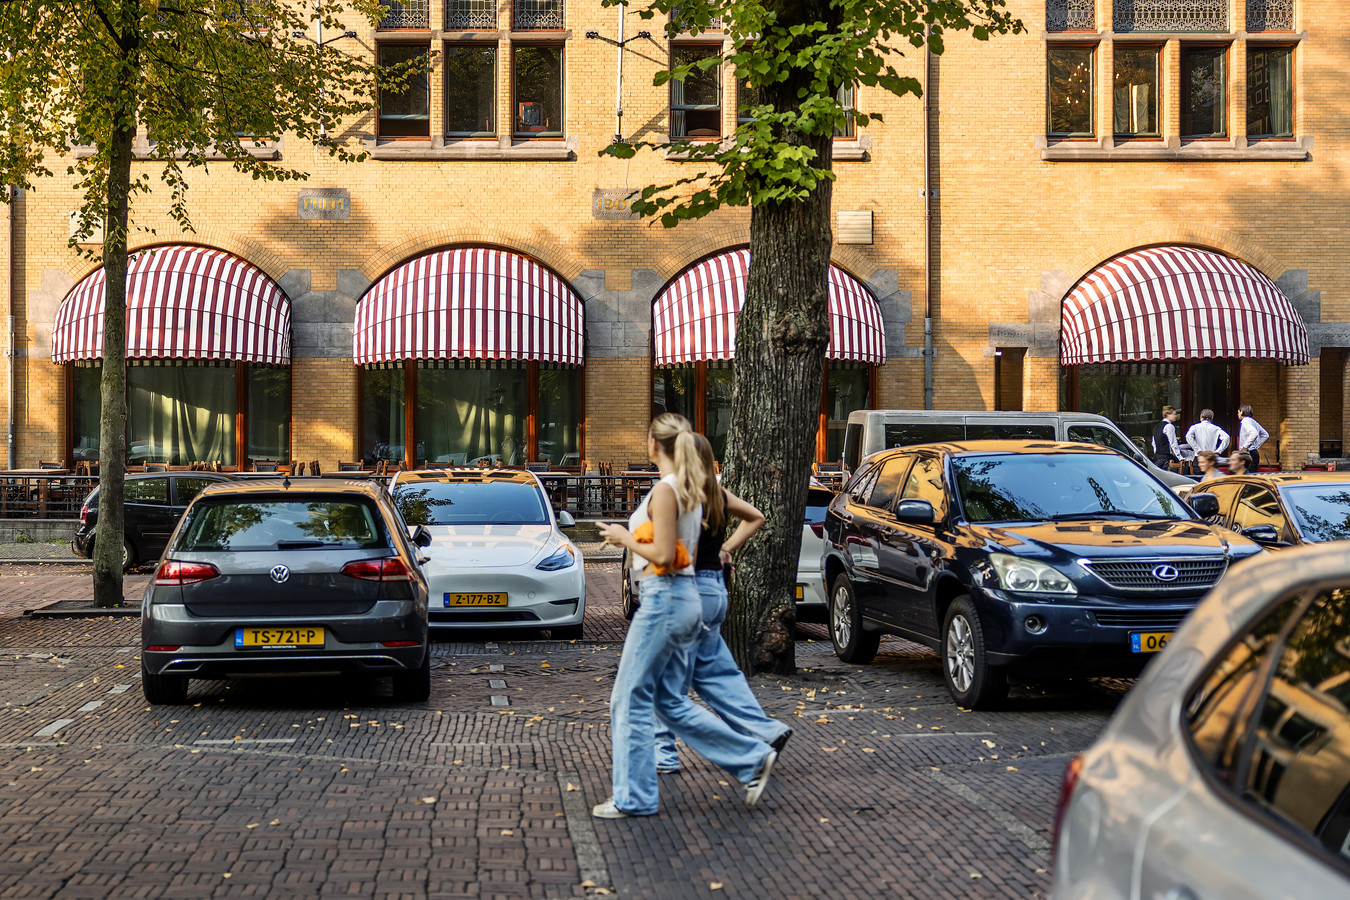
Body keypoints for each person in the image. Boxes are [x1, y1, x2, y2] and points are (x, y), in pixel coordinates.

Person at [592, 414, 777, 819]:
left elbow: (662, 555)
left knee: (628, 699)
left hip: (664, 599)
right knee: (666, 700)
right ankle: (749, 757)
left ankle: (634, 798)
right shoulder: (693, 487)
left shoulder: (665, 490)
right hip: (687, 596)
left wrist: (623, 537)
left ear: (654, 445)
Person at [655, 434, 791, 775]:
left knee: (663, 676)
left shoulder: (677, 495)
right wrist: (725, 548)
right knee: (719, 672)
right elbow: (756, 516)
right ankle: (765, 729)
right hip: (716, 589)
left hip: (688, 590)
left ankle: (664, 752)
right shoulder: (715, 494)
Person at [1237, 404, 1269, 471]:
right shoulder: (1254, 422)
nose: (1238, 414)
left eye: (1238, 412)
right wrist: (1255, 446)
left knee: (1247, 477)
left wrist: (1245, 447)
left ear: (1242, 412)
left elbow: (1254, 433)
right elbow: (1265, 435)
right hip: (1253, 452)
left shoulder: (1245, 421)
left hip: (1248, 454)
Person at [1150, 406, 1183, 470]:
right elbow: (1173, 443)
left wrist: (1156, 453)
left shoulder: (1156, 426)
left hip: (1157, 457)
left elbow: (1153, 443)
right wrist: (1180, 457)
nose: (1175, 416)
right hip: (1166, 458)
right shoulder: (1169, 426)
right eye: (1174, 414)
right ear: (1167, 414)